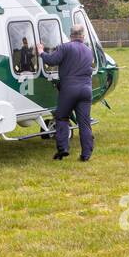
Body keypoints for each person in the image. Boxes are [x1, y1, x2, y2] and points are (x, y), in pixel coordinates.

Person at [37, 23, 94, 161]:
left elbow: (52, 61)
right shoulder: (88, 50)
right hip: (86, 89)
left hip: (69, 89)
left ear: (71, 35)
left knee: (62, 118)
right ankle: (86, 154)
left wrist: (41, 52)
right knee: (84, 123)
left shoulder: (65, 47)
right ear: (83, 36)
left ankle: (63, 149)